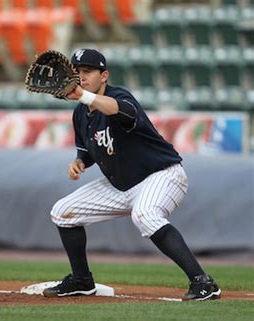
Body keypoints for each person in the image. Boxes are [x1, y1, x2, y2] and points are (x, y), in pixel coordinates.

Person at [42, 49, 221, 301]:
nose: (81, 77)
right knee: (62, 212)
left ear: (104, 75)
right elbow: (89, 150)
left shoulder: (119, 96)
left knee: (145, 215)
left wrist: (84, 96)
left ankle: (203, 282)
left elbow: (118, 110)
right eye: (77, 72)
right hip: (121, 185)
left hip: (161, 175)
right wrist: (79, 161)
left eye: (87, 72)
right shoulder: (80, 114)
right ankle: (82, 280)